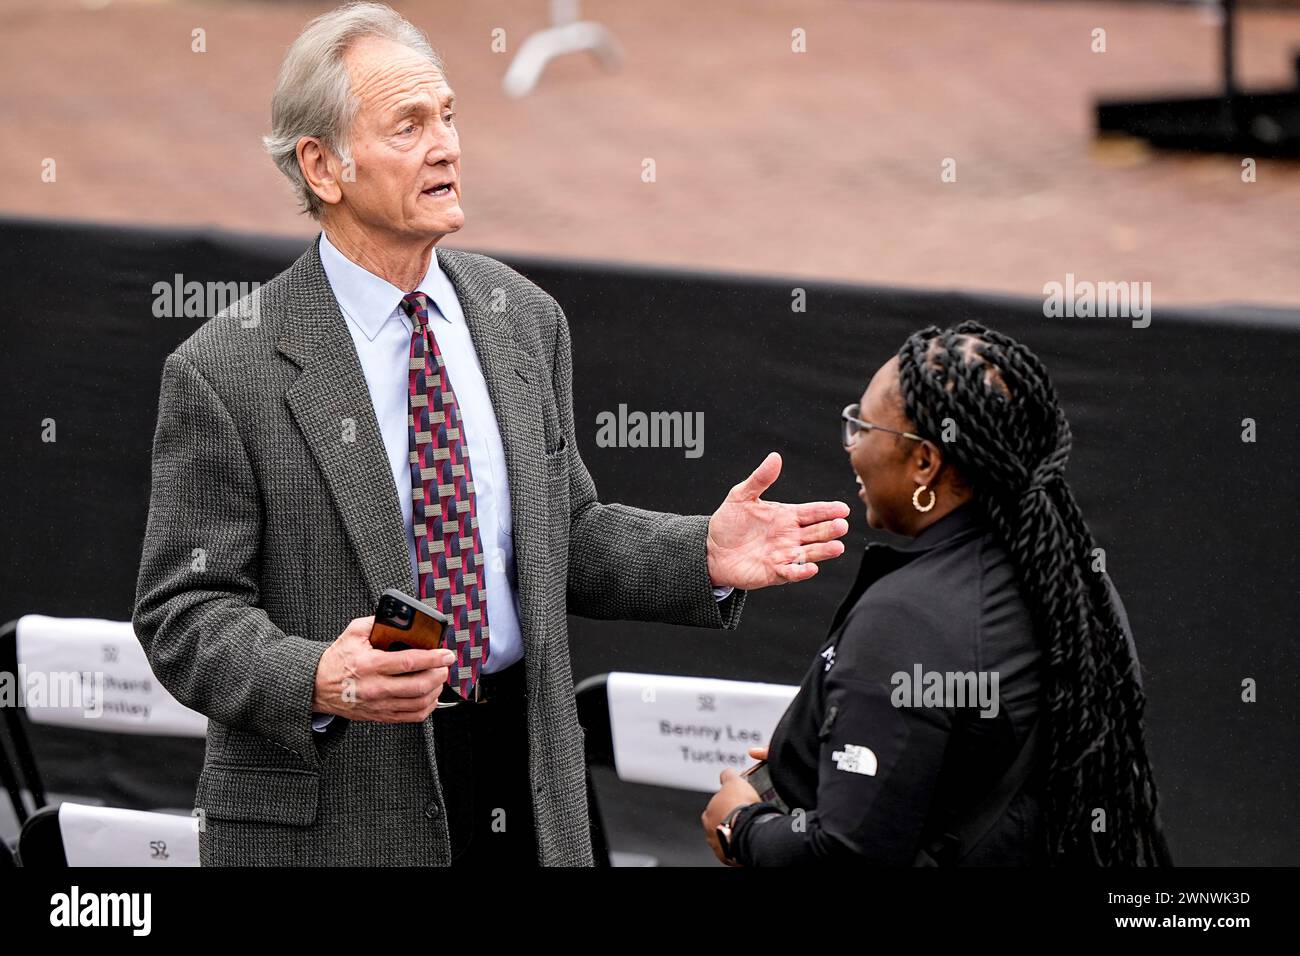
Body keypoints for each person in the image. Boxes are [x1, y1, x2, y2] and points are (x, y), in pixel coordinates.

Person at [132, 2, 851, 867]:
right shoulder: (224, 369)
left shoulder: (522, 320)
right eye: (408, 125)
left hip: (524, 773)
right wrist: (319, 676)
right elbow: (183, 612)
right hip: (339, 804)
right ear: (322, 166)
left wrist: (700, 552)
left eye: (448, 116)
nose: (446, 146)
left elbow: (563, 536)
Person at [702, 321, 1172, 866]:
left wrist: (743, 824)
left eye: (862, 427)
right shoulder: (1076, 583)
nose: (851, 446)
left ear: (925, 461)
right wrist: (812, 758)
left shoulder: (904, 619)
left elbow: (847, 858)